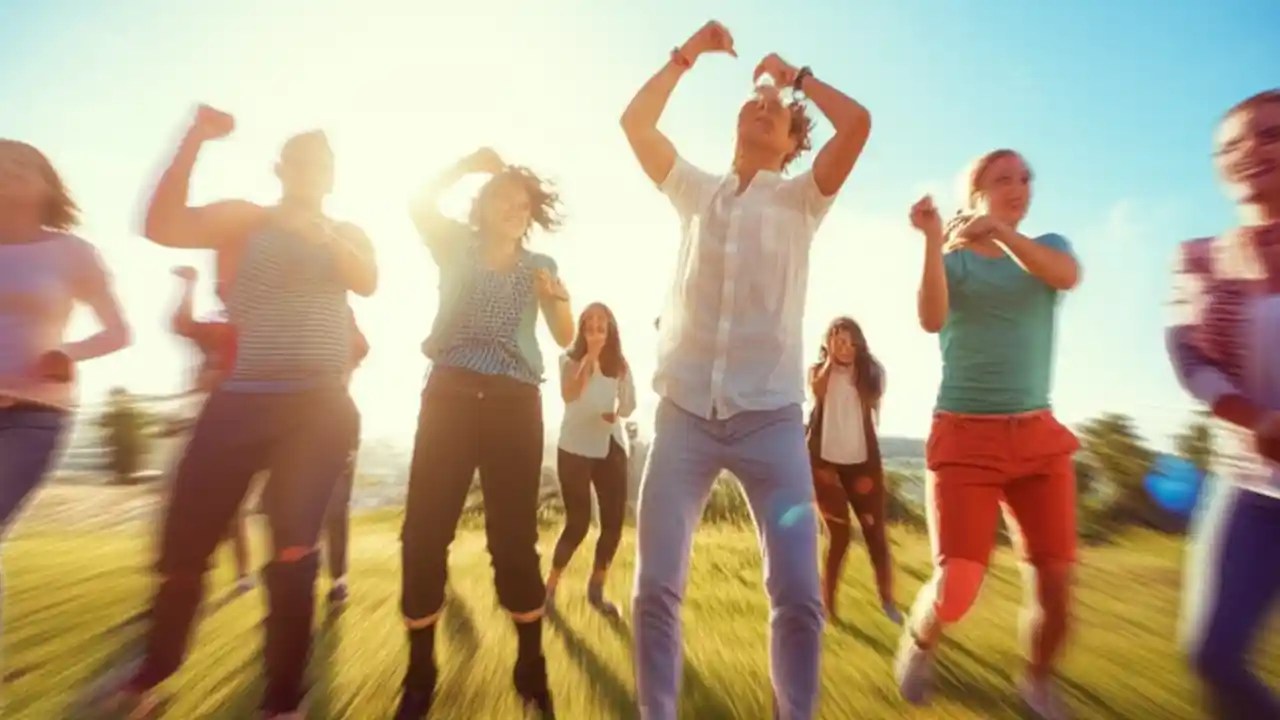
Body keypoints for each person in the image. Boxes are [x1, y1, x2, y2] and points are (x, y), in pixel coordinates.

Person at [620, 20, 871, 719]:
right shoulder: (695, 191)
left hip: (771, 425)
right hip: (684, 419)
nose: (762, 108)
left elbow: (858, 125)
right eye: (753, 102)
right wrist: (687, 54)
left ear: (793, 144)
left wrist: (798, 78)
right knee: (655, 590)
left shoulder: (801, 201)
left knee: (796, 593)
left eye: (780, 114)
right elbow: (635, 123)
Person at [101, 105, 375, 720]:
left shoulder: (346, 230)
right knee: (185, 545)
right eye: (300, 160)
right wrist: (193, 138)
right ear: (280, 168)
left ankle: (281, 700)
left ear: (331, 176)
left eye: (322, 163)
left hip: (318, 408)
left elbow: (367, 279)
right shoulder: (244, 222)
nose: (310, 170)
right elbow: (161, 223)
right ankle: (155, 669)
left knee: (293, 552)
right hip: (242, 399)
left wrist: (321, 235)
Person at [897, 150, 1082, 720]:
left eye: (1026, 177)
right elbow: (930, 318)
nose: (1019, 185)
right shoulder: (955, 264)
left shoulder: (1047, 246)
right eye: (1003, 179)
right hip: (964, 438)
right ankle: (921, 638)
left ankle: (1035, 683)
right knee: (957, 588)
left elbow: (1066, 276)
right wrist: (933, 240)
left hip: (1037, 437)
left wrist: (1001, 232)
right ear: (974, 193)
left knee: (1056, 588)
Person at [398, 147, 574, 719]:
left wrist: (558, 299)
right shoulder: (455, 246)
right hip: (448, 395)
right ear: (484, 205)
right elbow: (415, 200)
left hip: (512, 403)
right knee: (424, 535)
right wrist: (466, 165)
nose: (515, 209)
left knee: (513, 541)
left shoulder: (540, 263)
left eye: (523, 204)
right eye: (504, 198)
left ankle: (531, 666)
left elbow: (566, 335)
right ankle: (420, 672)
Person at [1168, 88, 1280, 720]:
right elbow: (1189, 357)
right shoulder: (1197, 258)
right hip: (1250, 485)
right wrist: (1257, 421)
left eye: (1271, 134)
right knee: (1211, 654)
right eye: (1234, 143)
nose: (1252, 151)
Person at [0, 138, 130, 639]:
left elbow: (118, 331)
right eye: (0, 165)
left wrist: (67, 354)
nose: (9, 171)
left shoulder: (72, 252)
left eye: (22, 164)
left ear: (47, 183)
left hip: (34, 415)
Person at [806, 316, 900, 625]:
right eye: (838, 340)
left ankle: (888, 602)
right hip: (825, 467)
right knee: (839, 535)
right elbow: (818, 389)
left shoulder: (871, 373)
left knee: (875, 534)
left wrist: (855, 366)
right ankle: (827, 607)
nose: (844, 346)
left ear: (858, 344)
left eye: (849, 341)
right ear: (828, 343)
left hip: (862, 466)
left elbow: (873, 398)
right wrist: (832, 362)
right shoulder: (819, 372)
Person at [546, 302, 637, 618]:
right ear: (583, 328)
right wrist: (591, 358)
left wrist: (619, 411)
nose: (596, 325)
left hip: (611, 445)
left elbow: (629, 405)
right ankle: (549, 590)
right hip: (575, 448)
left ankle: (596, 592)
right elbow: (570, 394)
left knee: (612, 524)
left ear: (610, 327)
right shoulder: (568, 360)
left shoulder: (621, 364)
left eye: (602, 321)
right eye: (590, 321)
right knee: (578, 523)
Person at [168, 266, 254, 594]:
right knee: (187, 498)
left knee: (234, 507)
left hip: (243, 421)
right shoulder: (216, 328)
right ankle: (183, 570)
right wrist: (189, 285)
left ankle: (243, 573)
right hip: (206, 417)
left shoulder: (254, 328)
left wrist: (220, 375)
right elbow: (181, 324)